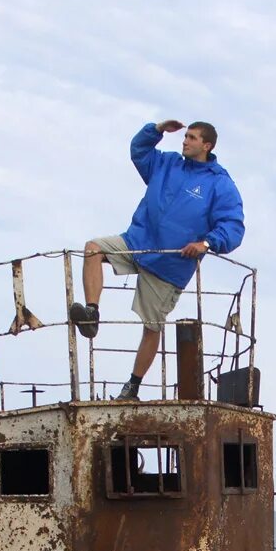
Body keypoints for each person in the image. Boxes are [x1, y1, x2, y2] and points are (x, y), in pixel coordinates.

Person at [70, 120, 245, 400]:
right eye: (185, 136)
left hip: (169, 264)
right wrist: (157, 129)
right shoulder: (167, 163)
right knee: (93, 249)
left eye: (192, 138)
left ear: (207, 145)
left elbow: (233, 227)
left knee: (152, 326)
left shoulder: (220, 183)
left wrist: (206, 243)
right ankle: (91, 313)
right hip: (138, 242)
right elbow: (138, 151)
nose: (185, 141)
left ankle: (132, 387)